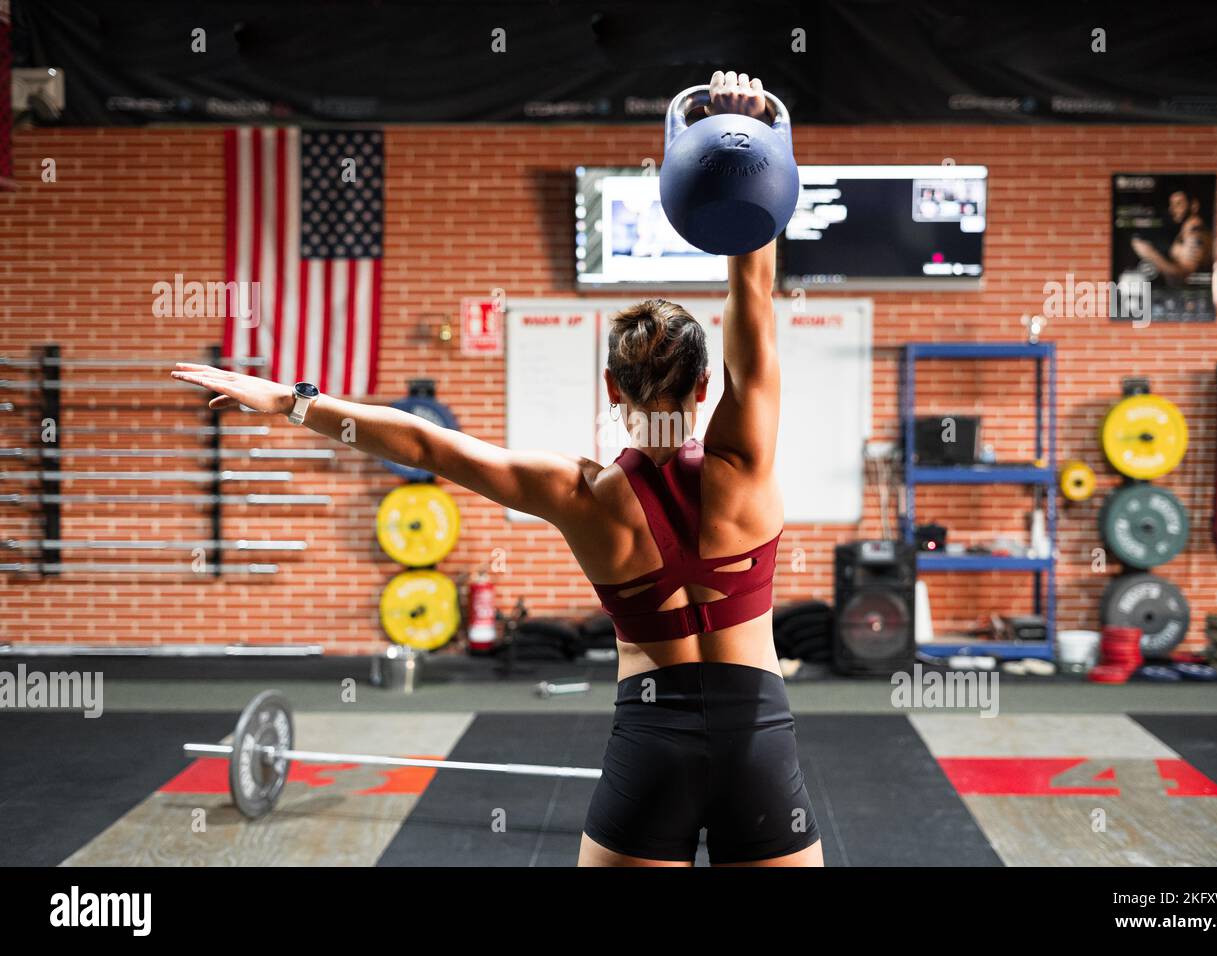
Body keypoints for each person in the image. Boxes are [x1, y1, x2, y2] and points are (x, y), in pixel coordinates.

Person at [171, 70, 823, 868]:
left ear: (610, 388)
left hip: (652, 739)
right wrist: (743, 141)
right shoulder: (745, 469)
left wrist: (290, 401)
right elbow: (752, 292)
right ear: (704, 386)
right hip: (758, 738)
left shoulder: (580, 496)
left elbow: (423, 444)